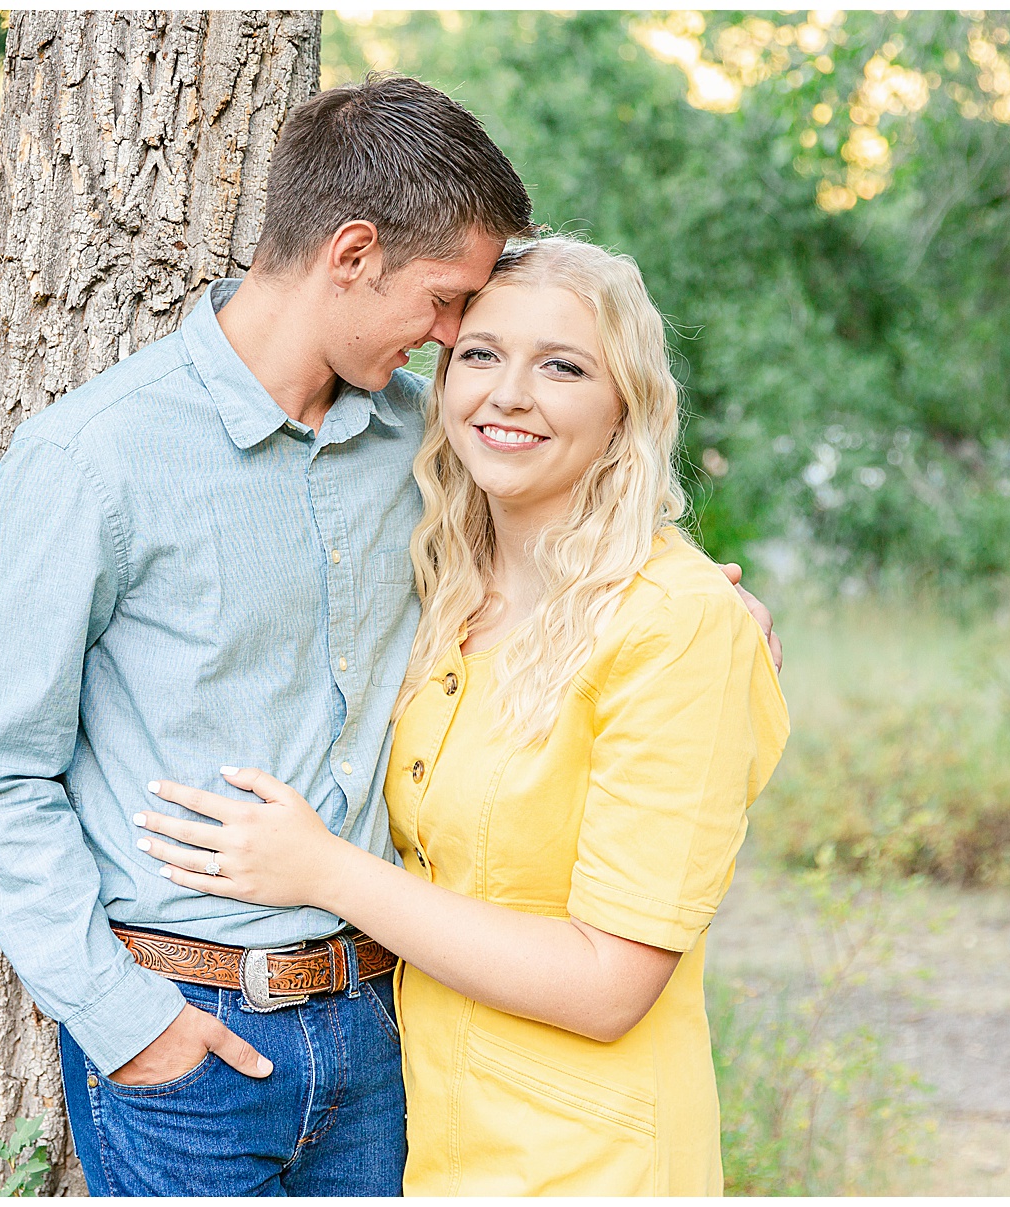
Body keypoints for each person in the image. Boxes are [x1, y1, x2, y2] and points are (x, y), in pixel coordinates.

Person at [0, 76, 778, 1196]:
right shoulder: (95, 460)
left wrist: (704, 603)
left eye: (468, 329)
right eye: (446, 310)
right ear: (350, 254)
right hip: (193, 1035)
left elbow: (580, 536)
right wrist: (124, 1020)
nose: (453, 348)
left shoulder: (417, 453)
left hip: (388, 1036)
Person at [135, 236, 791, 1195]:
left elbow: (610, 984)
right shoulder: (446, 591)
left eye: (563, 366)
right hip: (429, 1140)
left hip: (586, 1162)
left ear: (626, 410)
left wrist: (325, 871)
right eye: (480, 354)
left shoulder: (674, 623)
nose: (509, 394)